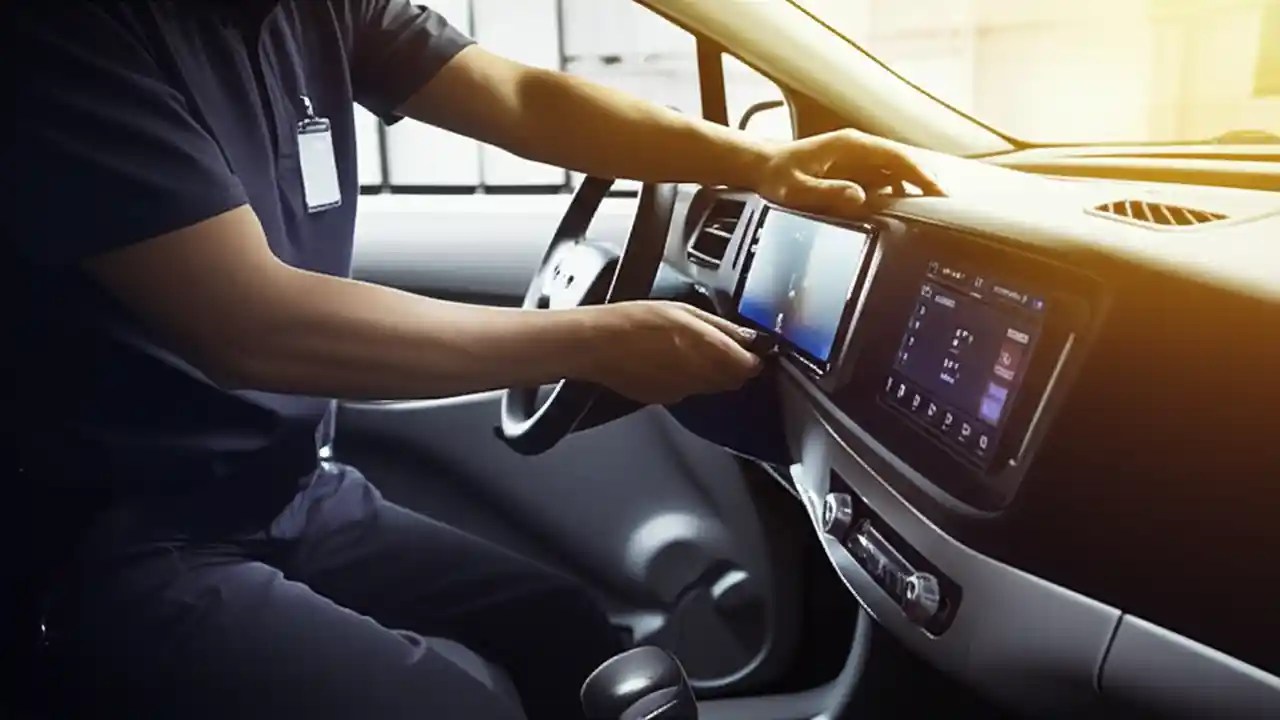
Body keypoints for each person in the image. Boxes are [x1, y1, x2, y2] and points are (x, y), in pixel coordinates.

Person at [8, 2, 942, 718]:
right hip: (114, 542)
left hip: (282, 494)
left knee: (567, 636)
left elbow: (516, 95)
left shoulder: (317, 10)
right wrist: (598, 340)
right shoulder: (71, 40)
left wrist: (753, 164)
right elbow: (257, 327)